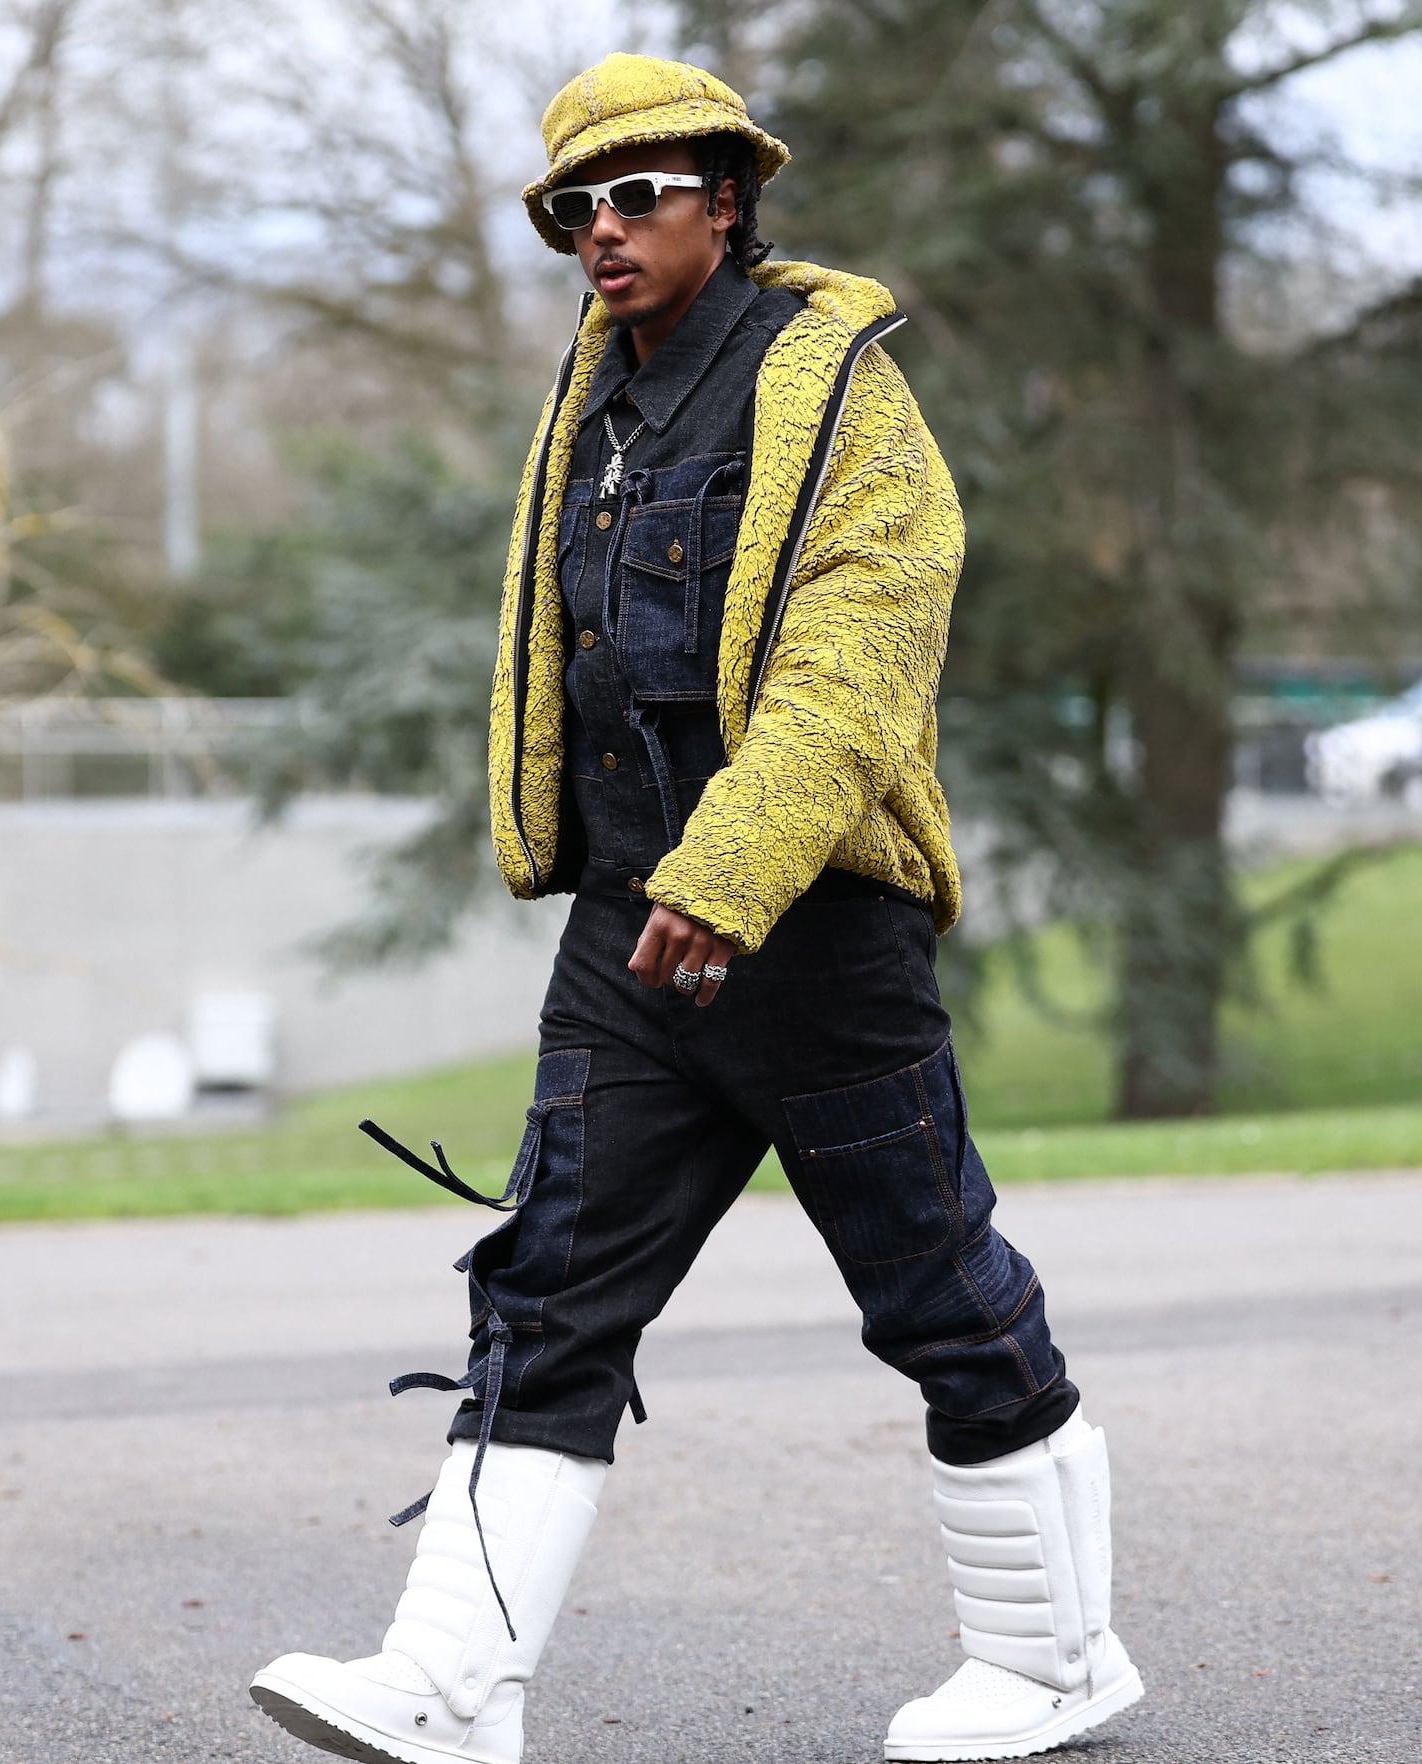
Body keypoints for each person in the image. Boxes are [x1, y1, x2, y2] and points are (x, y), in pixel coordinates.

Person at [250, 52, 1144, 1764]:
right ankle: (451, 1683)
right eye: (573, 208)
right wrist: (614, 867)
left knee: (936, 1290)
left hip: (813, 935)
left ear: (727, 201)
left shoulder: (845, 400)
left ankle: (1053, 1659)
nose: (601, 231)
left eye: (638, 196)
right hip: (625, 927)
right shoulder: (591, 400)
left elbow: (851, 678)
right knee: (544, 1287)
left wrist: (729, 883)